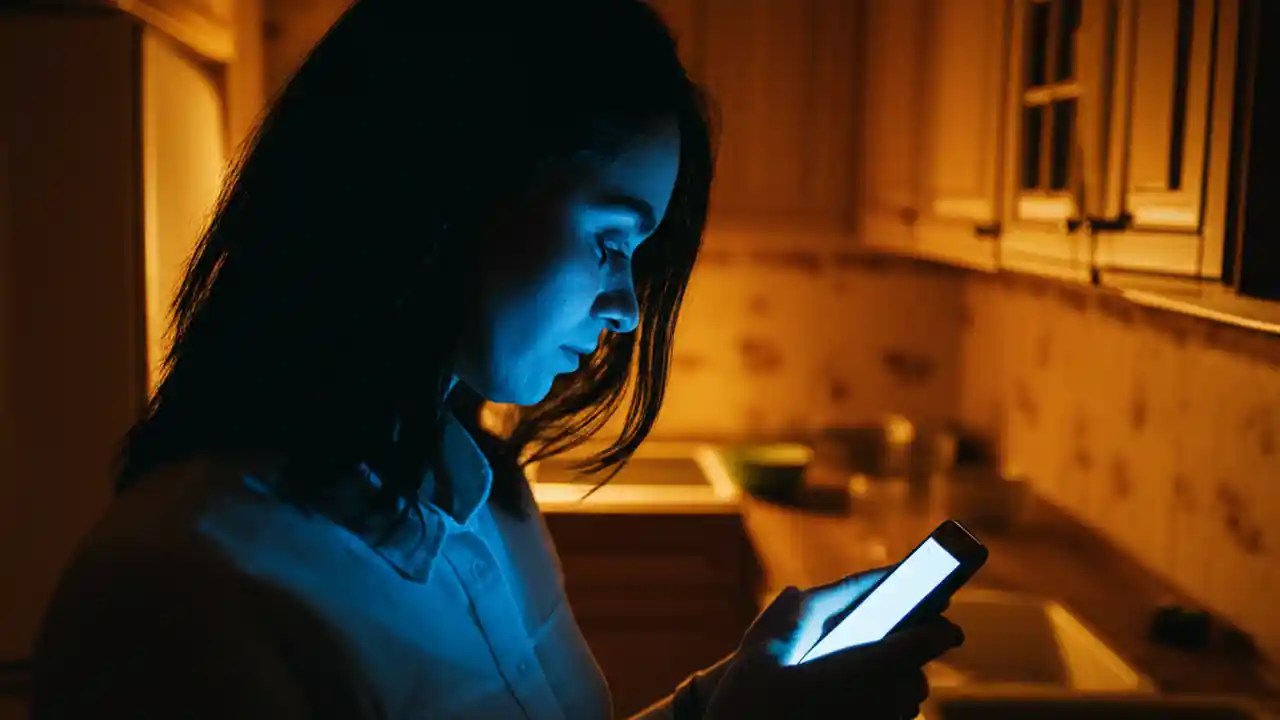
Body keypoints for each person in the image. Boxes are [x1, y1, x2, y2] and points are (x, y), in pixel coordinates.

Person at [29, 1, 963, 717]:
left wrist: (721, 705)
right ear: (451, 187)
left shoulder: (482, 497)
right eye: (610, 241)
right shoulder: (180, 592)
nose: (625, 310)